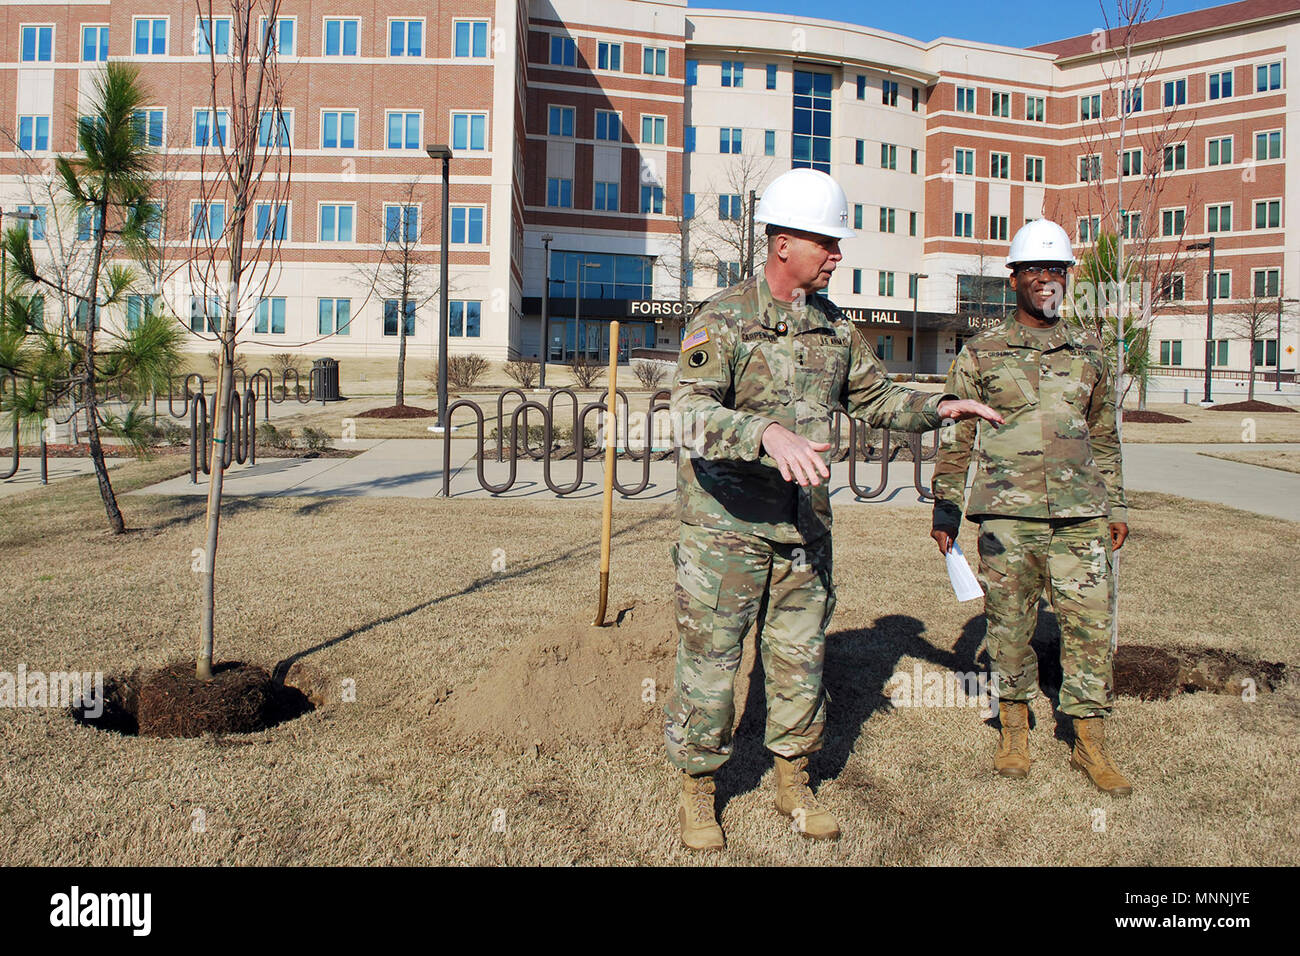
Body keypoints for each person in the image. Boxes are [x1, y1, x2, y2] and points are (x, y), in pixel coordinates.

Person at [666, 167, 1003, 851]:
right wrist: (764, 433)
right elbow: (688, 414)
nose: (838, 255)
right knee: (711, 664)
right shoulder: (723, 318)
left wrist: (939, 408)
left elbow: (876, 399)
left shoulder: (836, 330)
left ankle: (795, 781)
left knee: (798, 660)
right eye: (828, 242)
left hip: (802, 530)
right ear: (783, 243)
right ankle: (700, 791)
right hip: (725, 533)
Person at [930, 218, 1132, 797]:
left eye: (1057, 270)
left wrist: (1115, 505)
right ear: (1013, 278)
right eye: (1034, 271)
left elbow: (1104, 436)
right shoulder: (982, 352)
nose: (1046, 280)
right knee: (1009, 624)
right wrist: (946, 511)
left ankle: (1089, 738)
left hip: (1081, 517)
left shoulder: (1090, 351)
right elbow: (957, 437)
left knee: (1090, 626)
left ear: (1068, 277)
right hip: (1006, 518)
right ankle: (1013, 729)